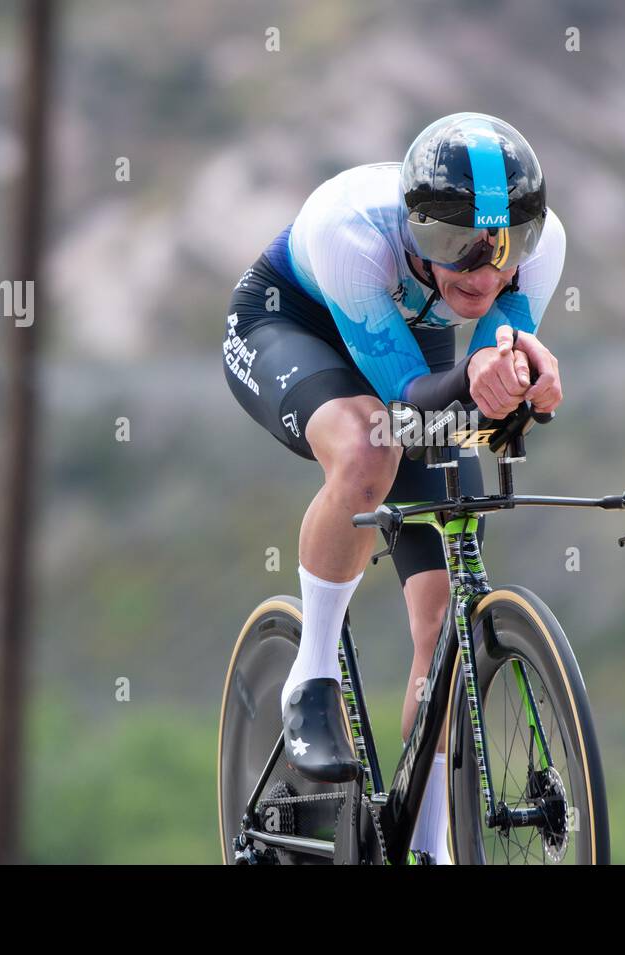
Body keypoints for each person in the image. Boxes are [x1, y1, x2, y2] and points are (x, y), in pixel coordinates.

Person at [221, 112, 565, 863]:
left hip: (413, 349)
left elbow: (487, 381)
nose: (480, 271)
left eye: (502, 248)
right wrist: (479, 389)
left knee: (442, 620)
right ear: (413, 231)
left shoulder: (543, 249)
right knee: (369, 444)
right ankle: (310, 677)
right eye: (454, 246)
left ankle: (431, 841)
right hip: (294, 323)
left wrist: (518, 387)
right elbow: (410, 402)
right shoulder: (354, 233)